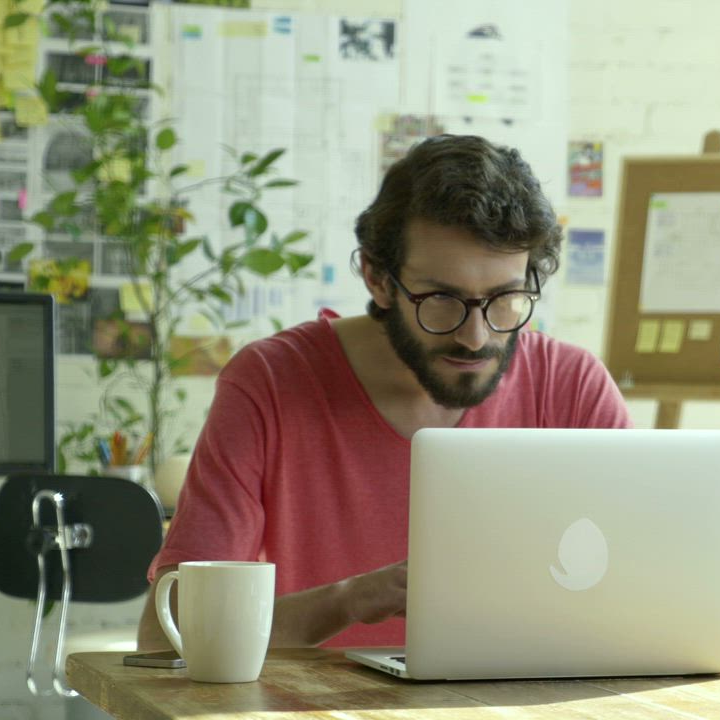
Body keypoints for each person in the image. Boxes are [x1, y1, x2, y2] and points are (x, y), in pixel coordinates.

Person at [137, 135, 632, 649]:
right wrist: (349, 600)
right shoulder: (270, 382)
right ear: (378, 278)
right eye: (442, 298)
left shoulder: (571, 385)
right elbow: (164, 638)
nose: (476, 336)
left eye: (505, 298)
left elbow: (649, 586)